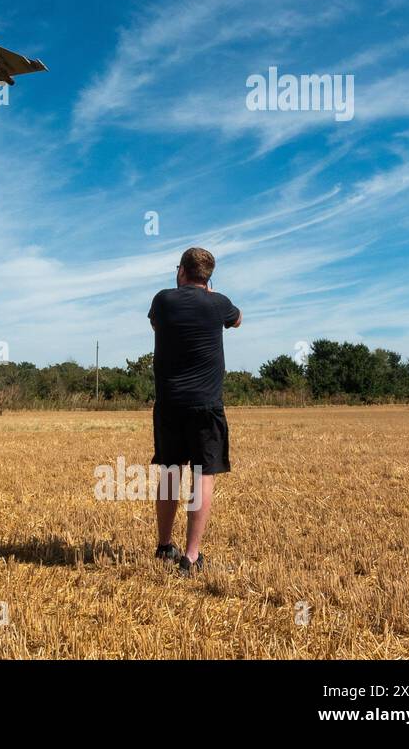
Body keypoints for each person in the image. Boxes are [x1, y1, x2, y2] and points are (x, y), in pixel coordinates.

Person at [148, 246, 241, 574]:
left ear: (181, 271)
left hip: (169, 403)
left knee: (170, 473)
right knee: (202, 476)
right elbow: (238, 320)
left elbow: (157, 326)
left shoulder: (163, 300)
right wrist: (211, 297)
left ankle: (163, 546)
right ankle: (191, 556)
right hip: (206, 405)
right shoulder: (219, 303)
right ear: (209, 277)